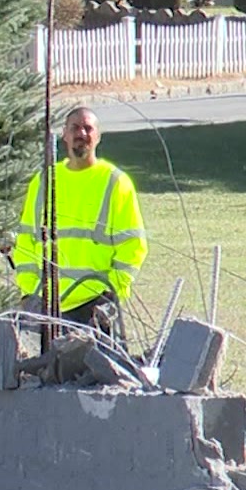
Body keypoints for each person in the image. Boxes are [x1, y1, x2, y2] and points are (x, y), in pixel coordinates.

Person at [12, 106, 146, 337]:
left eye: (88, 128)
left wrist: (111, 292)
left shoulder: (115, 182)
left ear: (98, 137)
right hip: (46, 305)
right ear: (64, 134)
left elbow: (133, 246)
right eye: (75, 127)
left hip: (94, 305)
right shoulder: (44, 181)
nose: (81, 133)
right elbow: (26, 241)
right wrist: (29, 291)